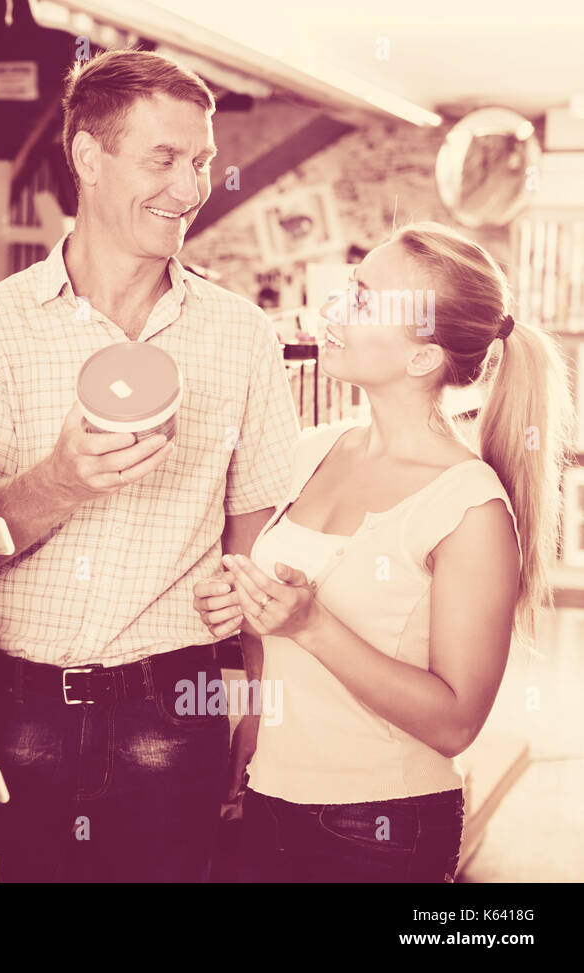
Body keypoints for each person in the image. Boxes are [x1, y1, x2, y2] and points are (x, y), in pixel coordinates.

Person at [0, 49, 300, 882]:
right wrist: (60, 478)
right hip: (8, 707)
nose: (191, 186)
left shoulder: (241, 334)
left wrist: (248, 701)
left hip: (175, 704)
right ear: (89, 157)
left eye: (201, 160)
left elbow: (255, 542)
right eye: (162, 158)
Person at [193, 221, 571, 882]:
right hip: (265, 796)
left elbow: (456, 722)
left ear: (424, 357)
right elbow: (270, 637)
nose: (335, 310)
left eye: (365, 301)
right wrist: (241, 609)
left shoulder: (469, 508)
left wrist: (311, 624)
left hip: (377, 829)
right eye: (349, 288)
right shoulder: (314, 450)